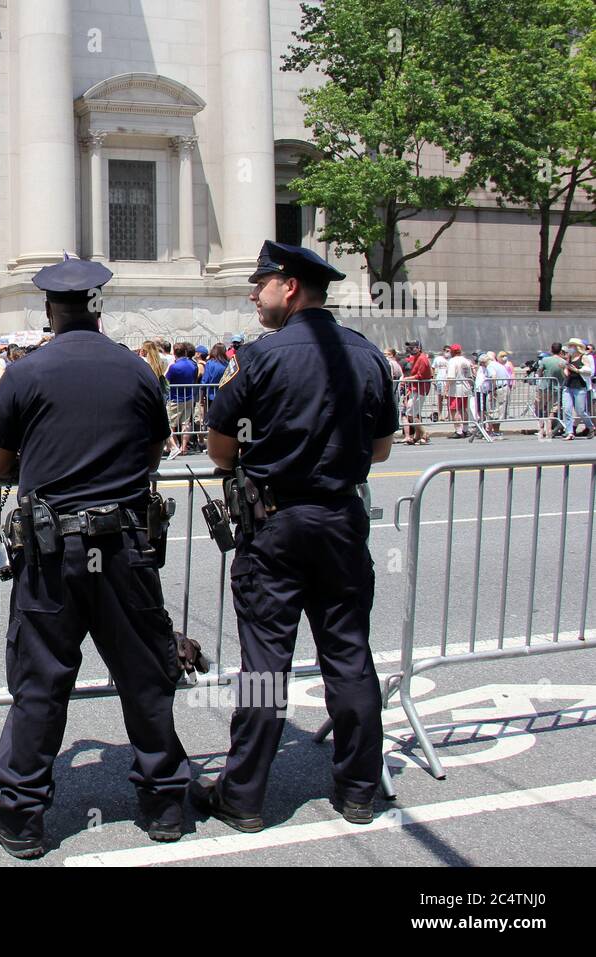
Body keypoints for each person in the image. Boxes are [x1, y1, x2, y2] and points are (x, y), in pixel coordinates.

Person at [0, 256, 186, 860]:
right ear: (99, 306)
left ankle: (22, 817)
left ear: (49, 309)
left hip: (51, 552)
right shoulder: (139, 371)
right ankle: (166, 804)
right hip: (124, 548)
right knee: (145, 676)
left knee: (41, 682)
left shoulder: (21, 374)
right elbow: (154, 450)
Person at [201, 240, 397, 832]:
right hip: (341, 522)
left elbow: (219, 445)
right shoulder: (366, 355)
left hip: (276, 525)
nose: (253, 295)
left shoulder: (259, 357)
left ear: (288, 287)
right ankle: (360, 790)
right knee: (349, 656)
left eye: (260, 283)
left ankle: (244, 798)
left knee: (265, 663)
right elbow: (383, 447)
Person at [561, 338, 594, 441]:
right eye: (569, 346)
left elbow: (589, 371)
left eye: (572, 346)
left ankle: (591, 426)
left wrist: (577, 370)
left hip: (579, 386)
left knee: (580, 411)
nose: (570, 348)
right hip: (568, 386)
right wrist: (564, 369)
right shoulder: (569, 357)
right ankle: (570, 432)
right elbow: (566, 372)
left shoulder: (584, 357)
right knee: (567, 410)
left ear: (577, 347)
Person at [537, 342, 567, 440]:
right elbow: (565, 375)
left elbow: (539, 372)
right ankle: (549, 430)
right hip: (556, 388)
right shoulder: (563, 361)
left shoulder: (545, 360)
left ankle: (541, 430)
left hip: (544, 387)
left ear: (551, 349)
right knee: (551, 410)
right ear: (560, 350)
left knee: (541, 409)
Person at [444, 344, 474, 438]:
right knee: (463, 409)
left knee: (454, 410)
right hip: (465, 387)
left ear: (452, 352)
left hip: (455, 389)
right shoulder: (466, 361)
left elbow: (451, 377)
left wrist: (446, 389)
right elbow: (469, 376)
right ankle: (465, 429)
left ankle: (459, 430)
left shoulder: (452, 361)